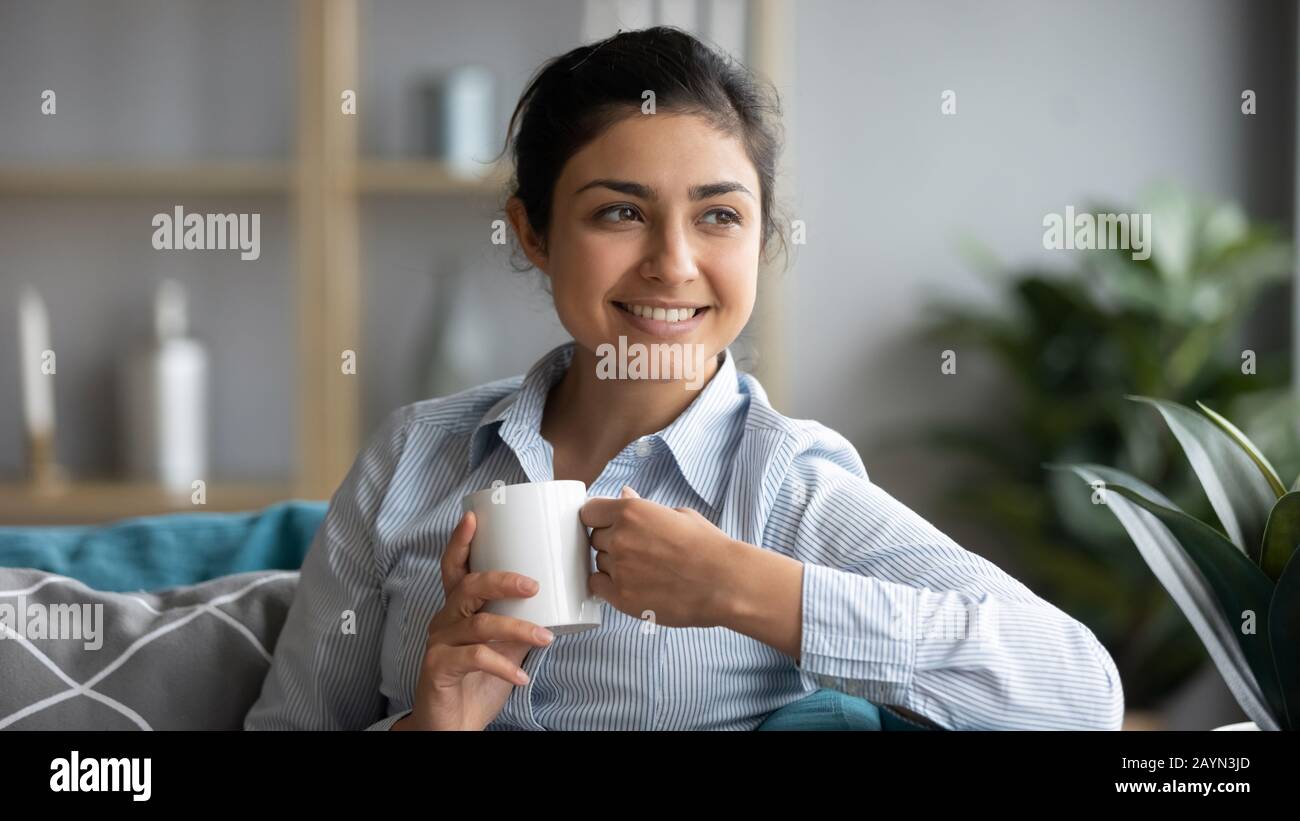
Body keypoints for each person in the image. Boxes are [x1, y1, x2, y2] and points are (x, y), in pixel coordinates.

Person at [244, 26, 1124, 731]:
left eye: (718, 216)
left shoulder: (786, 487)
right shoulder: (415, 454)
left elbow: (1079, 693)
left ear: (761, 238)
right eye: (619, 212)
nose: (673, 263)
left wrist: (744, 589)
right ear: (534, 233)